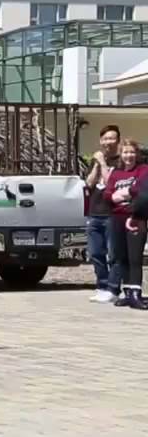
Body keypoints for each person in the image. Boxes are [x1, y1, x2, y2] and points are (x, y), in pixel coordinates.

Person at [105, 139, 148, 309]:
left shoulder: (143, 170)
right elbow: (108, 195)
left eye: (131, 152)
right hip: (117, 218)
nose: (128, 156)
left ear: (136, 154)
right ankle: (128, 292)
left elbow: (139, 189)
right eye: (125, 152)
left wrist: (125, 192)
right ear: (121, 155)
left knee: (135, 257)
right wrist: (119, 195)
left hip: (135, 218)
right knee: (120, 257)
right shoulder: (115, 173)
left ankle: (136, 293)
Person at [86, 125, 122, 304]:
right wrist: (96, 165)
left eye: (111, 138)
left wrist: (102, 163)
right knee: (95, 253)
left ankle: (113, 288)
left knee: (113, 253)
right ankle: (101, 286)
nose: (108, 142)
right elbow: (90, 183)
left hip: (112, 214)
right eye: (105, 139)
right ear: (101, 141)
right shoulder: (96, 160)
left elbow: (111, 184)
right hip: (95, 212)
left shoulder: (121, 162)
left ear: (118, 141)